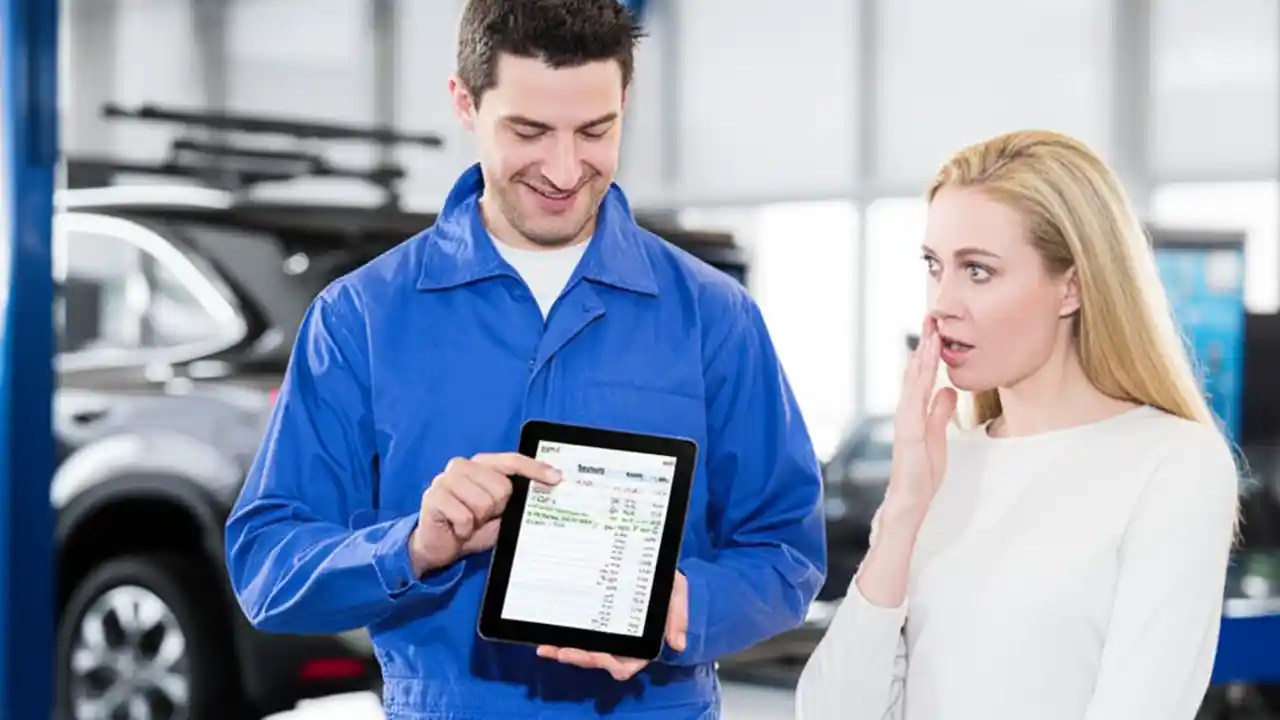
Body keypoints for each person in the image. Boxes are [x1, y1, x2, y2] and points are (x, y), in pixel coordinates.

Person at [223, 1, 827, 718]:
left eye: (595, 130)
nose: (566, 169)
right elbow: (267, 565)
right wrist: (412, 546)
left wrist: (682, 608)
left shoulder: (713, 319)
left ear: (625, 103)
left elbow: (786, 552)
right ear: (464, 102)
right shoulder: (362, 318)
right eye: (530, 130)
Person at [794, 129, 1241, 720]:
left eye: (978, 271)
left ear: (1073, 287)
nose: (941, 302)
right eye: (935, 266)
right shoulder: (944, 465)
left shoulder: (1174, 464)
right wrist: (902, 511)